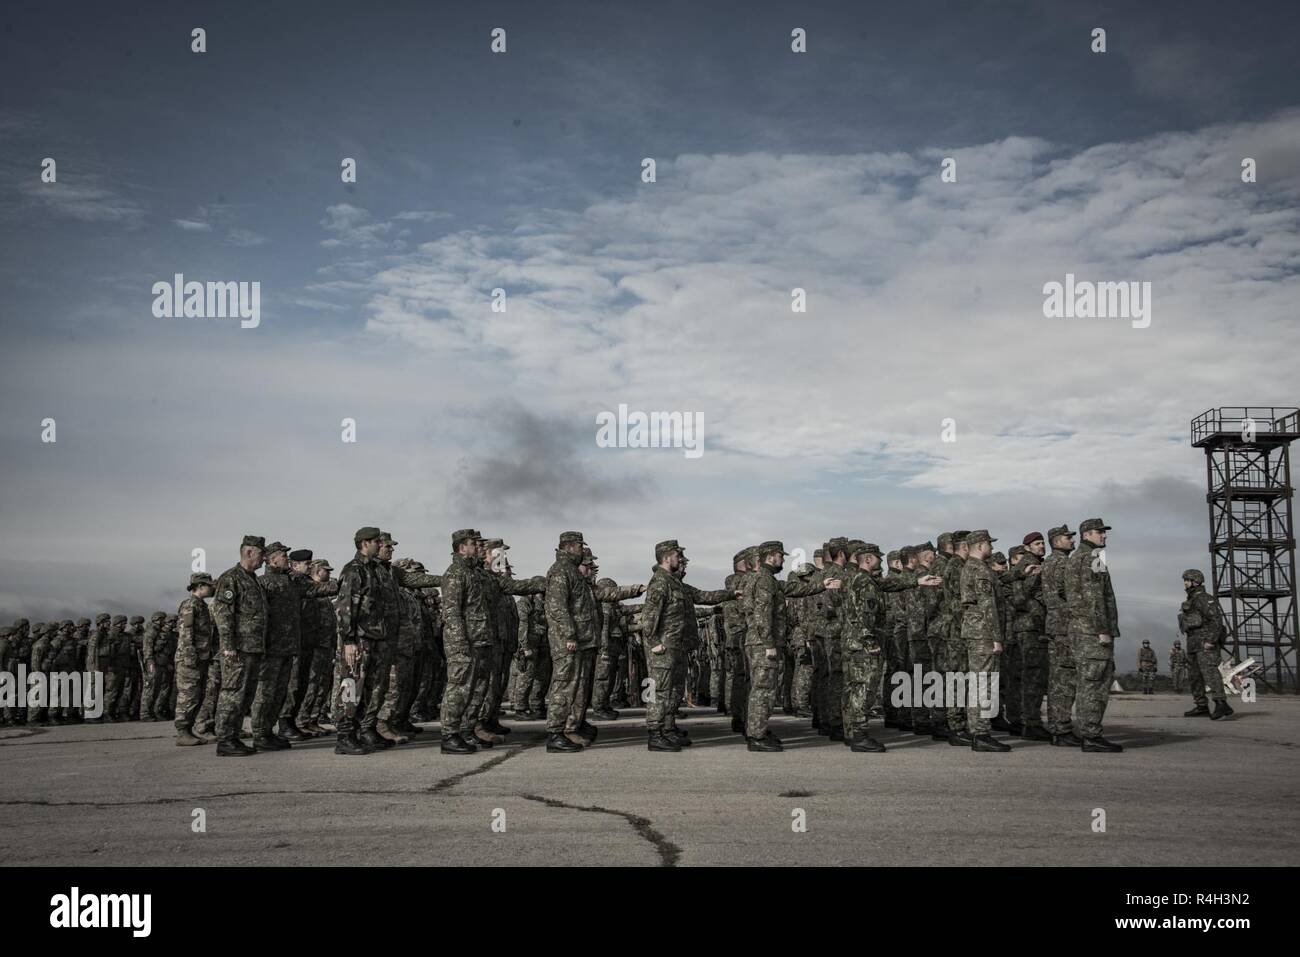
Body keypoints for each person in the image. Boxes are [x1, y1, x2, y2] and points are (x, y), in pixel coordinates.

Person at [1063, 518, 1122, 752]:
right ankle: (1091, 735)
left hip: (1081, 629)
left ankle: (1090, 733)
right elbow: (1094, 596)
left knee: (1088, 682)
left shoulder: (1076, 558)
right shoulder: (1094, 557)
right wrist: (1103, 629)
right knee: (1095, 684)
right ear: (1087, 534)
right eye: (1100, 532)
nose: (1104, 536)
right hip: (1092, 632)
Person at [1179, 569, 1233, 720]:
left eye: (1187, 580)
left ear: (1195, 582)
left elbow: (1216, 621)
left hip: (1205, 644)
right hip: (1193, 644)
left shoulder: (1204, 599)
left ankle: (1221, 704)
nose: (1185, 583)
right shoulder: (1191, 600)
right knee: (1194, 676)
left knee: (1210, 673)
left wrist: (1210, 641)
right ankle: (1201, 705)